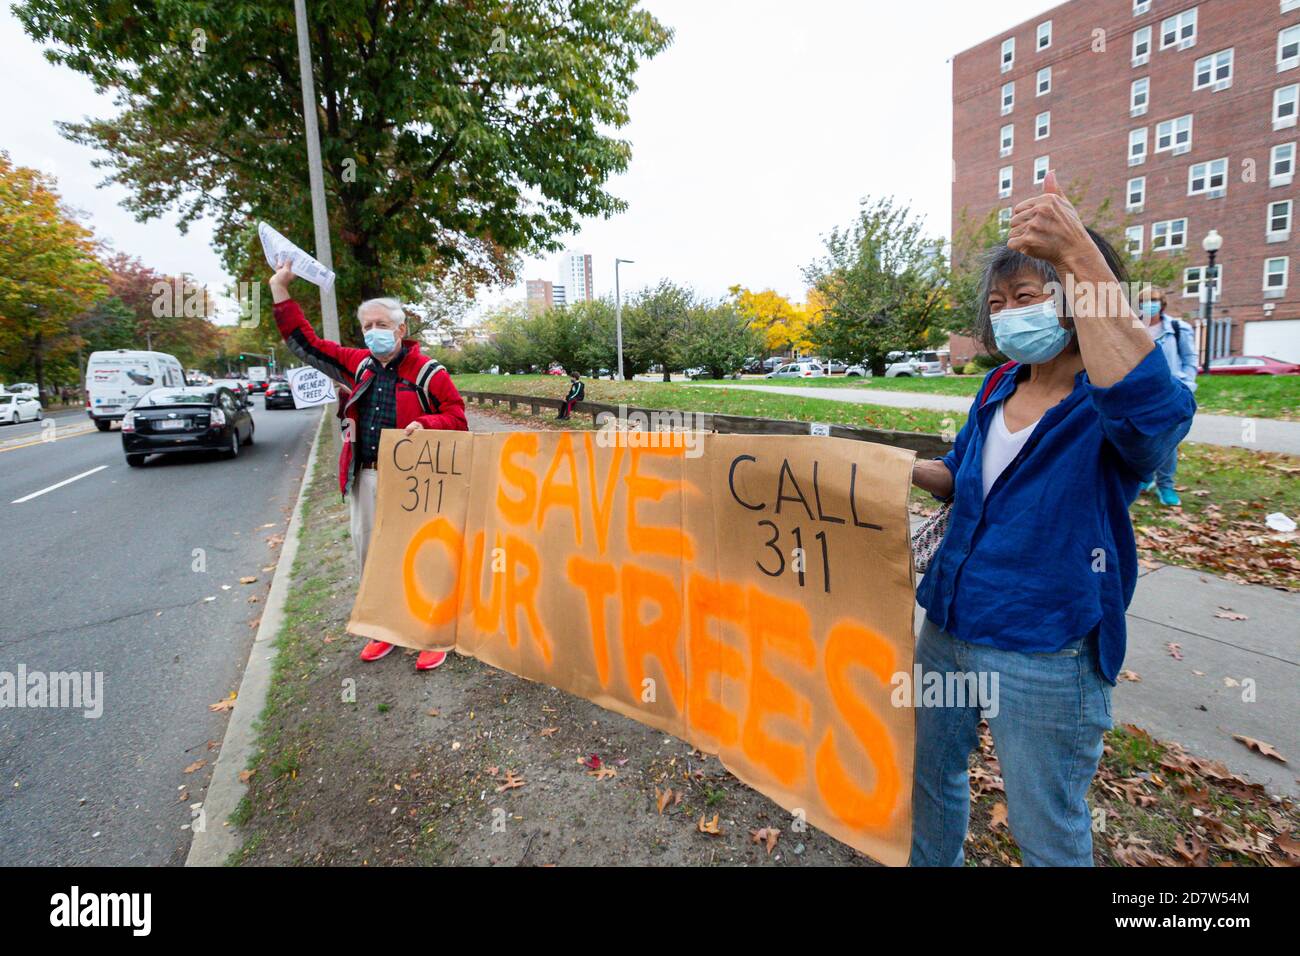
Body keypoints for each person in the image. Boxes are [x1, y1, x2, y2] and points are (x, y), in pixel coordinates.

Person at [908, 172, 1195, 866]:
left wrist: (1079, 252)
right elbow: (959, 478)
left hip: (1046, 647)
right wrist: (884, 470)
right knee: (930, 784)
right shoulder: (999, 383)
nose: (1008, 315)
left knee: (1046, 831)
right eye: (998, 303)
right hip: (949, 626)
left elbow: (1156, 422)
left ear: (1071, 301)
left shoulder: (1109, 398)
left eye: (1026, 298)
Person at [268, 261, 468, 671]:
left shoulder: (429, 372)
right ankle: (384, 628)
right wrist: (280, 289)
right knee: (372, 556)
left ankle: (434, 633)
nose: (373, 331)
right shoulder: (357, 364)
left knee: (423, 555)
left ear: (400, 329)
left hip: (416, 482)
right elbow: (305, 344)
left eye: (381, 323)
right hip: (369, 476)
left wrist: (425, 423)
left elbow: (458, 419)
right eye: (366, 325)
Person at [1136, 287, 1198, 506]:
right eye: (1143, 301)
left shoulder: (1176, 328)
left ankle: (1166, 485)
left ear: (1161, 303)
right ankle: (1146, 478)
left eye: (1152, 301)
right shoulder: (1134, 327)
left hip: (1171, 391)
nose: (1148, 305)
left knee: (1167, 441)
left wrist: (1188, 384)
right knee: (1142, 439)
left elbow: (1190, 358)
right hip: (1141, 391)